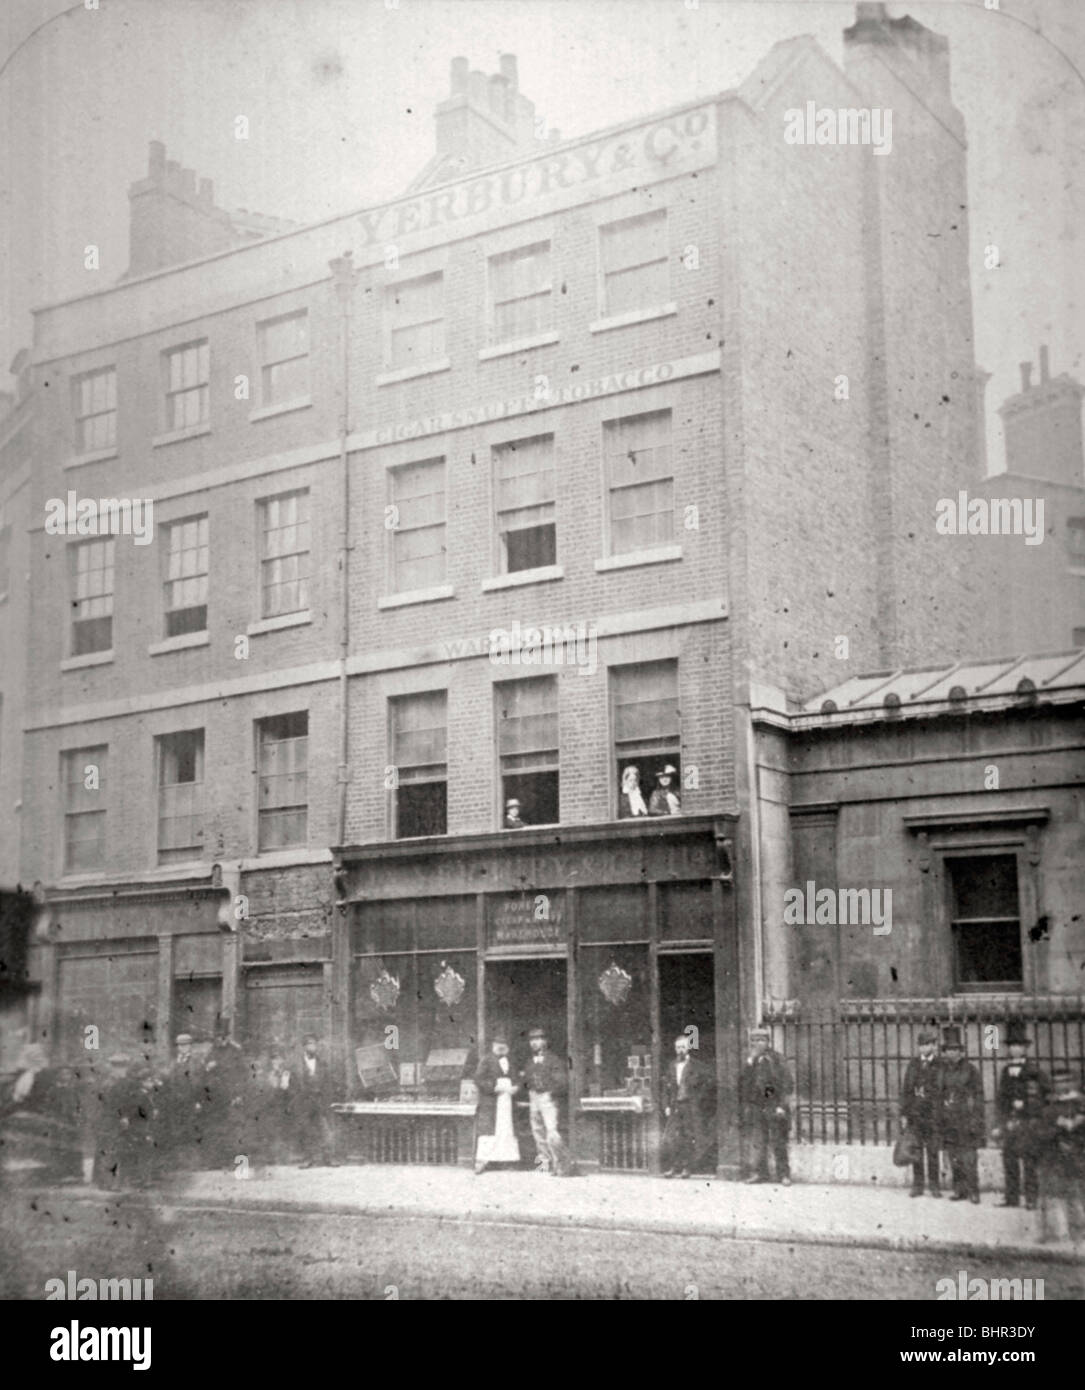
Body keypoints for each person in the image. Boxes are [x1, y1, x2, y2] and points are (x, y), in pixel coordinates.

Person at [992, 1020, 1050, 1210]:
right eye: (1012, 1046)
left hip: (1028, 1122)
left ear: (1025, 1048)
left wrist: (1025, 1105)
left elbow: (1045, 1097)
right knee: (1009, 1159)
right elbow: (1001, 1098)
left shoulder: (1035, 1071)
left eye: (1019, 1046)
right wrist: (1001, 1122)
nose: (1015, 1050)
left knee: (1029, 1161)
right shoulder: (1005, 1071)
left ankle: (1031, 1198)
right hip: (1010, 1122)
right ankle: (1012, 1197)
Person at [1038, 1067, 1085, 1245]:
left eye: (1066, 1081)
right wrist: (1057, 1128)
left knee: (1076, 1195)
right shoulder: (1049, 1107)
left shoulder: (1080, 1103)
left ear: (1073, 1082)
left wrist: (1073, 1127)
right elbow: (1041, 1131)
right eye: (1057, 1082)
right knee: (1054, 1196)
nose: (1061, 1086)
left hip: (1077, 1155)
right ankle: (1058, 1233)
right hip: (1054, 1156)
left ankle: (1078, 1232)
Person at [938, 1025, 985, 1204]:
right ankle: (959, 1190)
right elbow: (939, 1092)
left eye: (955, 1049)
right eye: (949, 1049)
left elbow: (978, 1094)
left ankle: (974, 1191)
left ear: (961, 1051)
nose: (952, 1053)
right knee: (954, 1157)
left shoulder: (970, 1070)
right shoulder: (942, 1070)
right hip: (948, 1119)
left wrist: (976, 1118)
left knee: (969, 1158)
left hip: (966, 1119)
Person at [740, 1026, 792, 1185]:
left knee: (778, 1141)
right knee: (759, 1141)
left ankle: (784, 1174)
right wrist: (749, 1064)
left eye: (761, 1040)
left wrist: (781, 1105)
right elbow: (743, 1083)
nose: (757, 1044)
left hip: (773, 1105)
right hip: (757, 1106)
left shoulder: (776, 1059)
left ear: (768, 1042)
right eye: (754, 1041)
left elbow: (786, 1084)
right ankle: (760, 1174)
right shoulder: (751, 1061)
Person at [522, 1027, 573, 1176]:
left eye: (538, 1039)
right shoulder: (529, 1061)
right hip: (534, 1097)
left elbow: (562, 1081)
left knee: (552, 1132)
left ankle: (561, 1165)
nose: (534, 1043)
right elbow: (526, 1080)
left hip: (547, 1097)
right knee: (538, 1133)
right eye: (532, 1040)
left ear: (545, 1042)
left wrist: (551, 1093)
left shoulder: (554, 1060)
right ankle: (543, 1166)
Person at [660, 1033, 712, 1178]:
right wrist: (666, 1106)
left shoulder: (696, 1066)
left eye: (683, 1047)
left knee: (689, 1136)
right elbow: (666, 1088)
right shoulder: (671, 1066)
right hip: (675, 1105)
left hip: (690, 1105)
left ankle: (687, 1168)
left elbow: (708, 1083)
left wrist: (698, 1099)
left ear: (688, 1048)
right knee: (672, 1137)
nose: (680, 1050)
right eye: (677, 1047)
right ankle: (674, 1167)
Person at [899, 1029, 943, 1198]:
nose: (924, 1048)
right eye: (921, 1045)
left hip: (932, 1114)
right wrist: (905, 1114)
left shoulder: (940, 1065)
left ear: (934, 1046)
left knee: (932, 1151)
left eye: (927, 1045)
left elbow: (941, 1088)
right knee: (916, 1150)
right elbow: (906, 1089)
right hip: (915, 1115)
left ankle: (934, 1185)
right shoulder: (913, 1064)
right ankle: (918, 1185)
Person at [201, 1026, 249, 1169]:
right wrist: (208, 1067)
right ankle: (218, 1161)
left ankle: (240, 1163)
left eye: (223, 1036)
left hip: (233, 1095)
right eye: (218, 1036)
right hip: (216, 1096)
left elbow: (243, 1075)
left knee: (236, 1128)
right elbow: (205, 1072)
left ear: (228, 1037)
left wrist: (239, 1094)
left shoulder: (236, 1051)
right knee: (217, 1128)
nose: (220, 1039)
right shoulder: (212, 1051)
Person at [473, 1035, 521, 1175]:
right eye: (498, 1043)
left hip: (508, 1100)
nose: (501, 1046)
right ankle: (482, 1162)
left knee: (506, 1129)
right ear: (493, 1045)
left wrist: (516, 1087)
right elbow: (478, 1079)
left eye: (504, 1043)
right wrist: (493, 1088)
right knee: (488, 1131)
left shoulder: (511, 1061)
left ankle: (507, 1160)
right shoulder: (486, 1059)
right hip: (492, 1100)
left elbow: (517, 1078)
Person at [296, 1033, 339, 1168]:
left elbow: (328, 1084)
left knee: (325, 1130)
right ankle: (308, 1159)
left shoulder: (322, 1063)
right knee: (306, 1130)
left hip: (320, 1101)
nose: (313, 1047)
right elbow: (292, 1085)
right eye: (309, 1044)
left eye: (314, 1044)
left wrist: (327, 1100)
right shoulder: (296, 1065)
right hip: (303, 1102)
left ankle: (329, 1158)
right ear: (304, 1047)